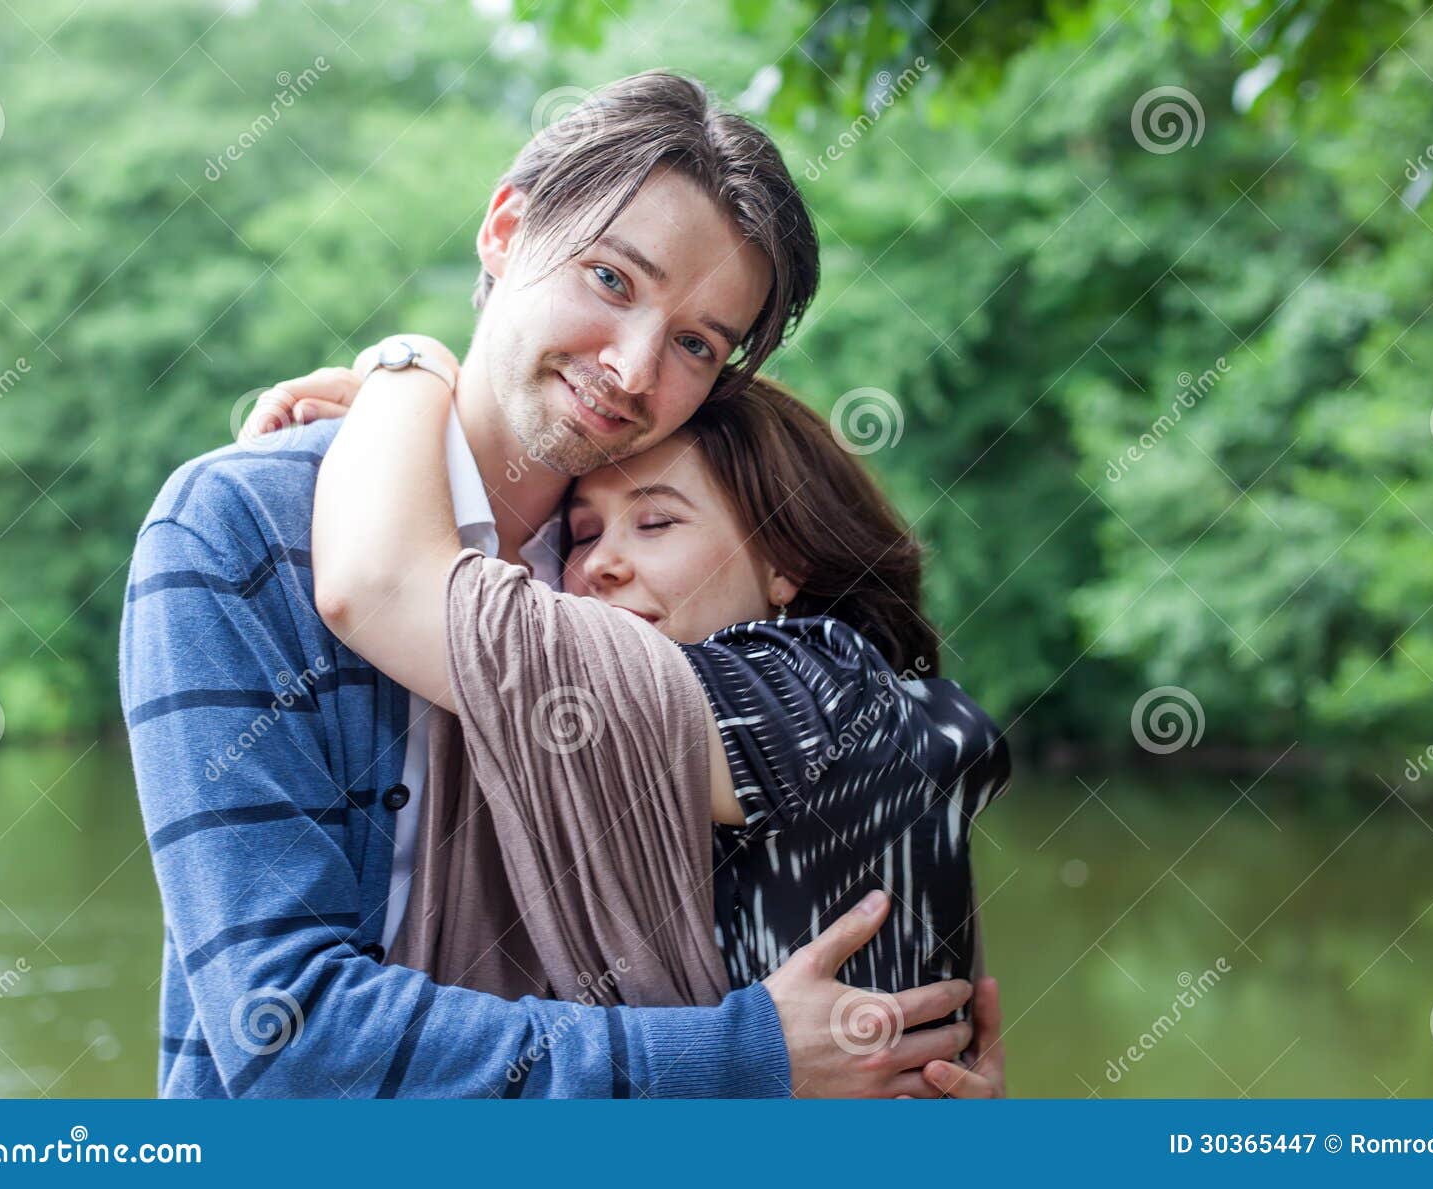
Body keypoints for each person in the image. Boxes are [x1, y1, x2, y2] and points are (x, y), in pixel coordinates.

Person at [121, 69, 1000, 1098]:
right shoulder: (244, 527)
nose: (631, 369)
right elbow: (290, 1045)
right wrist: (742, 1057)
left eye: (696, 344)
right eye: (612, 280)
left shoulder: (655, 598)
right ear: (504, 230)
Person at [297, 342, 1012, 1096]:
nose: (599, 564)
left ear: (786, 563)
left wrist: (407, 372)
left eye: (656, 522)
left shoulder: (814, 693)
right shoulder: (781, 727)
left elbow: (378, 586)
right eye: (583, 535)